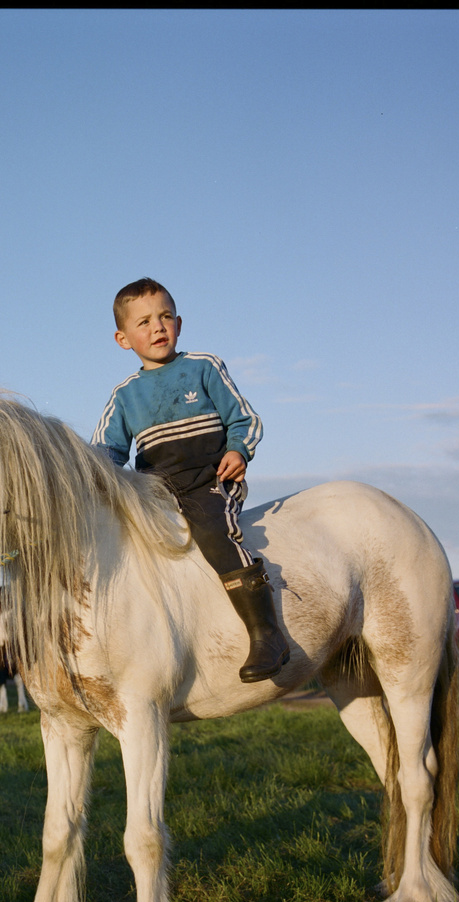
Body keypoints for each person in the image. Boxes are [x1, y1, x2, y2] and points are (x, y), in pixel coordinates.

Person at [91, 278, 290, 682]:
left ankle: (266, 634)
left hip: (209, 480)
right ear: (123, 338)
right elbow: (106, 454)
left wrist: (238, 450)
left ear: (179, 323)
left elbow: (245, 419)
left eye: (165, 317)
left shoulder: (203, 367)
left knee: (215, 531)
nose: (157, 327)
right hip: (157, 491)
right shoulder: (124, 395)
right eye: (143, 322)